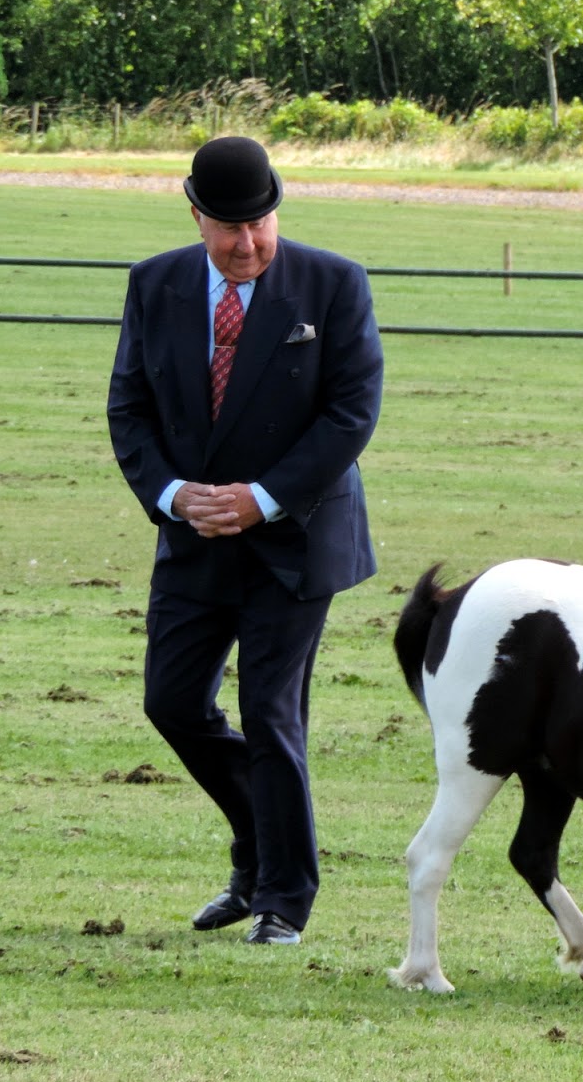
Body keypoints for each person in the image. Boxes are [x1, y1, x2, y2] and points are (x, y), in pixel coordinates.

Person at [107, 136, 384, 944]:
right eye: (228, 228)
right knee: (171, 702)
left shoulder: (333, 284)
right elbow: (129, 407)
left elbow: (350, 413)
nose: (247, 243)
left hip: (294, 540)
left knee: (270, 712)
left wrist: (260, 500)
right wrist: (173, 494)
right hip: (194, 536)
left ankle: (282, 900)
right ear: (194, 214)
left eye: (260, 223)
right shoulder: (154, 284)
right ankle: (262, 847)